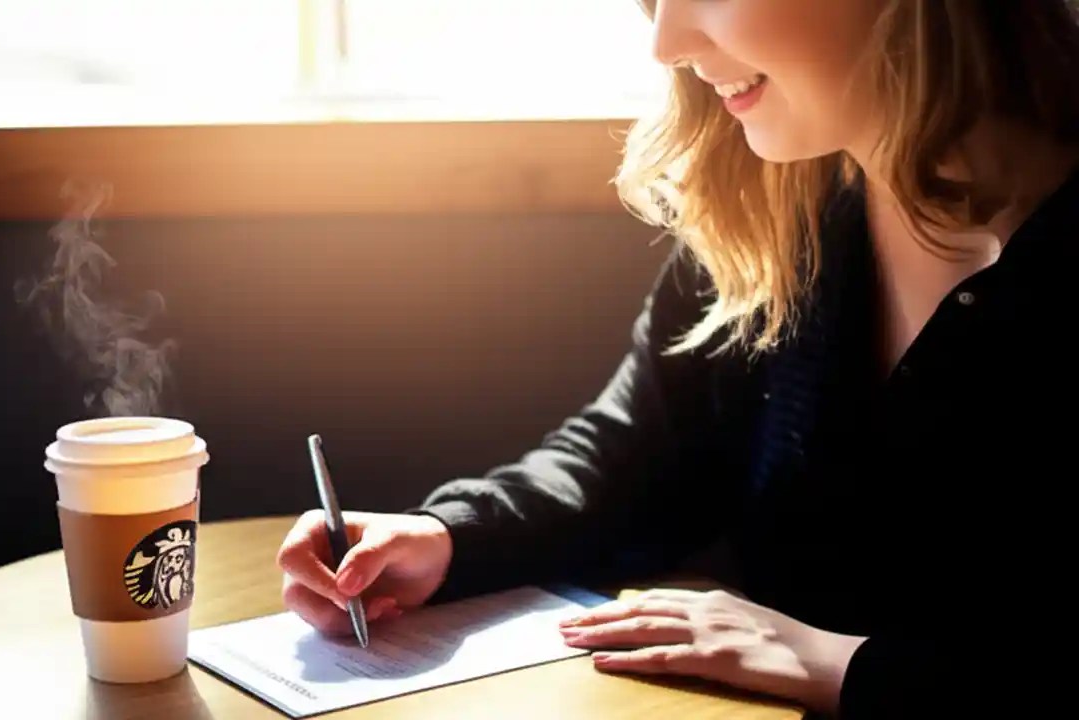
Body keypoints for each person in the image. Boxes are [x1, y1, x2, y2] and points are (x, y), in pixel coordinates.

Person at [277, 1, 1079, 716]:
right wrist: (449, 536)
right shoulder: (778, 207)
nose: (666, 41)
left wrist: (843, 665)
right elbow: (633, 455)